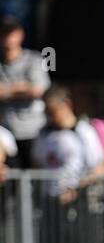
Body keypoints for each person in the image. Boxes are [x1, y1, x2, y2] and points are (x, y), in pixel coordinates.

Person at [31, 85, 104, 200]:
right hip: (48, 200)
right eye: (48, 112)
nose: (50, 116)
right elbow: (37, 164)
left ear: (67, 104)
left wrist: (76, 191)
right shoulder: (43, 133)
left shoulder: (84, 131)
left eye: (53, 111)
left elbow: (98, 169)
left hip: (78, 200)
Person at [0, 18, 51, 166]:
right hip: (6, 132)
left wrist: (7, 90)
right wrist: (23, 87)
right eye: (3, 33)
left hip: (33, 130)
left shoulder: (34, 59)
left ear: (20, 35)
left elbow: (38, 89)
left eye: (11, 33)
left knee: (34, 177)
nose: (7, 38)